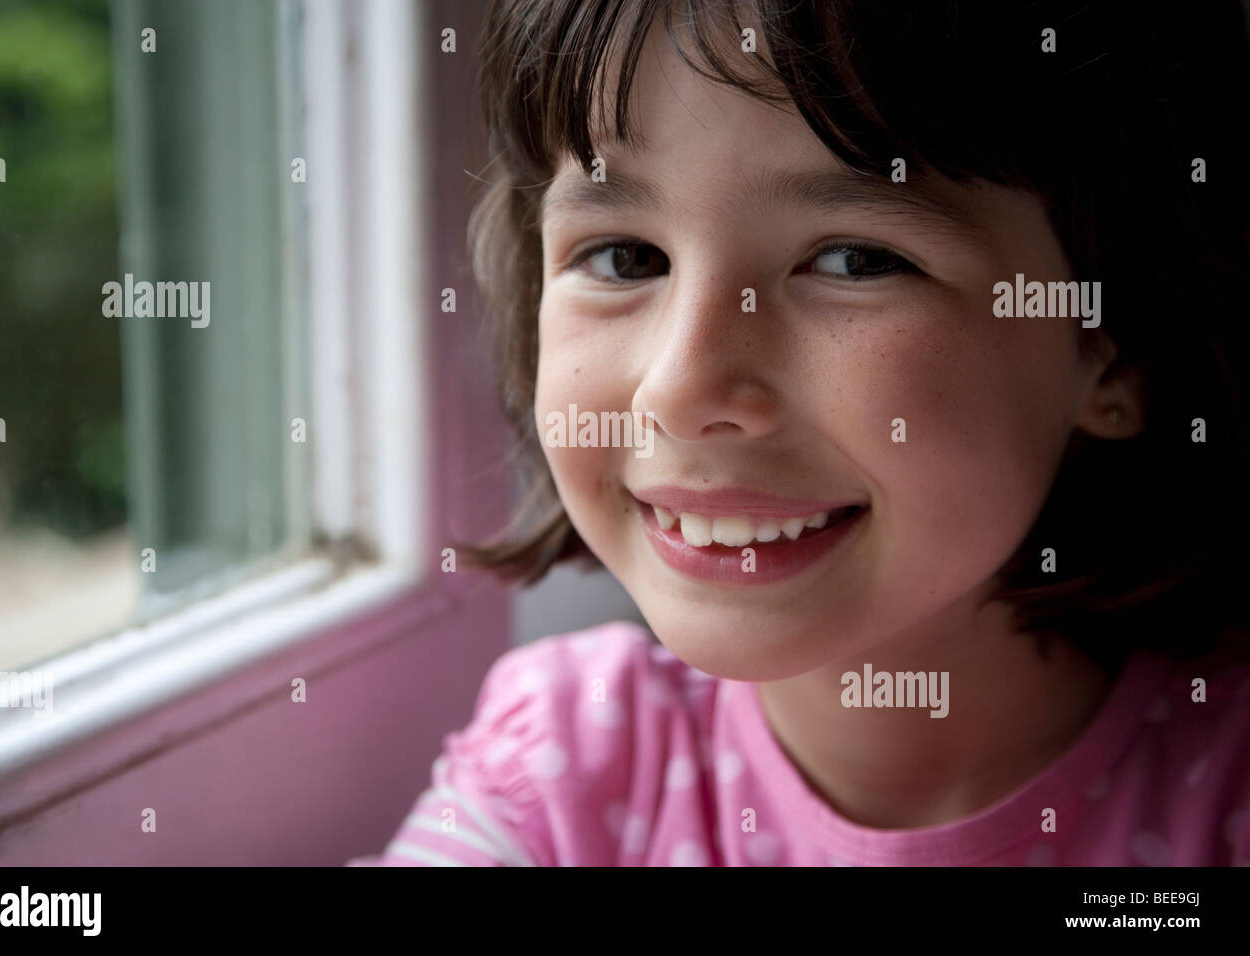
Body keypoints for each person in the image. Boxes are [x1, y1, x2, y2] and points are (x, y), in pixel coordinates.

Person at [353, 0, 1250, 866]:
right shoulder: (560, 766)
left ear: (1117, 348)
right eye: (626, 257)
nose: (681, 386)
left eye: (855, 260)